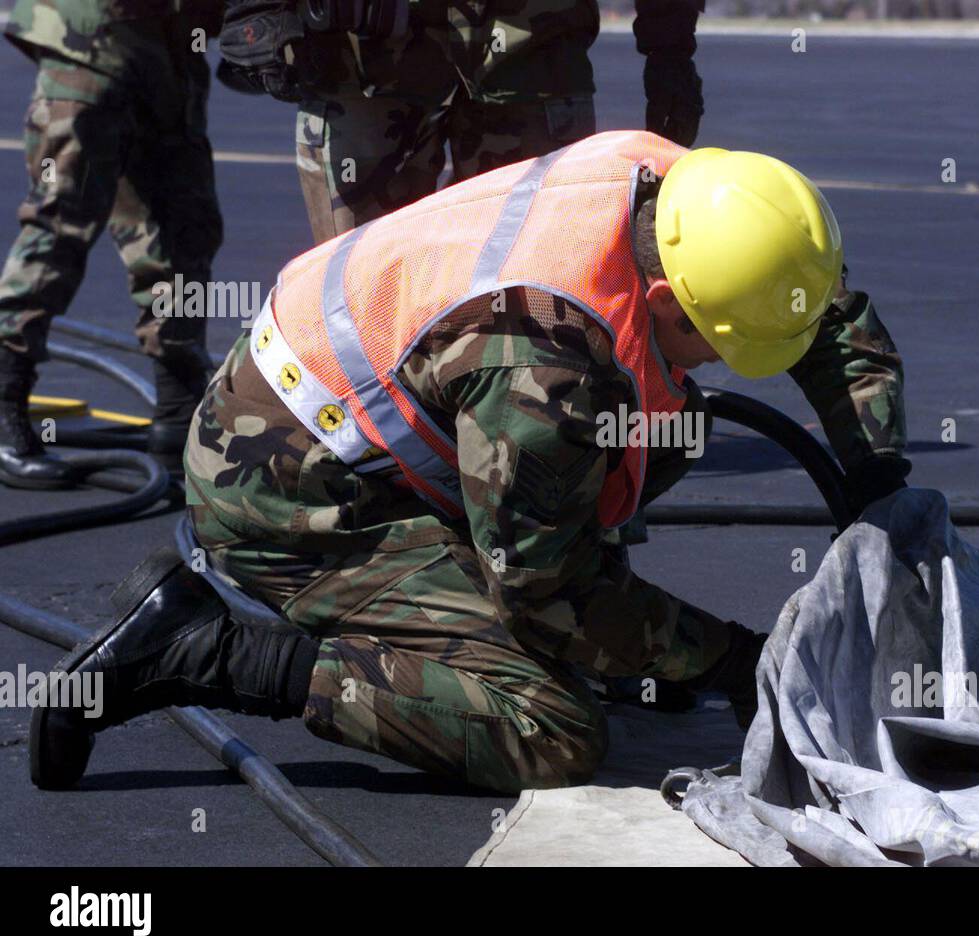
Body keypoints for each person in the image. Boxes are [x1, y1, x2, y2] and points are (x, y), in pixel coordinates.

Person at [30, 131, 909, 794]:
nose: (723, 358)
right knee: (553, 727)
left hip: (362, 413)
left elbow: (821, 315)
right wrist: (724, 661)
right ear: (660, 298)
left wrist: (878, 478)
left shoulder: (693, 195)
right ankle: (198, 647)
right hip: (287, 486)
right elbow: (545, 588)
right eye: (714, 339)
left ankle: (586, 630)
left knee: (667, 425)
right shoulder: (546, 366)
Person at [216, 0, 706, 243]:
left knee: (537, 288)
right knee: (354, 288)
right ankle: (375, 439)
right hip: (360, 51)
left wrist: (671, 47)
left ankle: (518, 435)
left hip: (529, 53)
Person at [0, 0, 224, 485]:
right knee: (61, 221)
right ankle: (5, 403)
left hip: (170, 48)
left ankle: (178, 413)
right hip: (91, 36)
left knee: (184, 227)